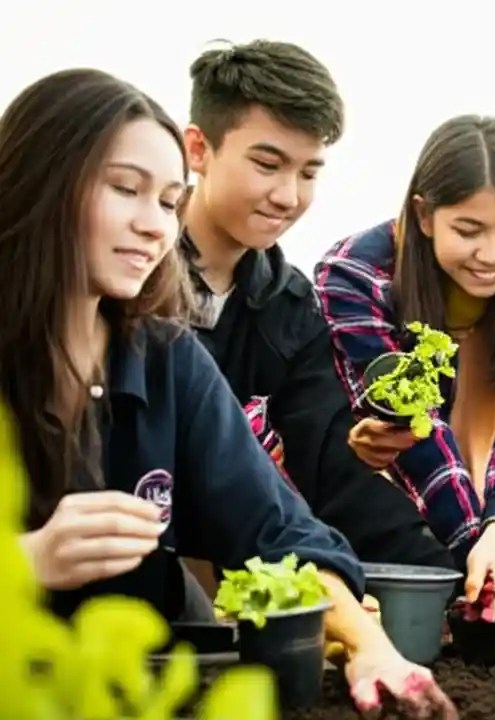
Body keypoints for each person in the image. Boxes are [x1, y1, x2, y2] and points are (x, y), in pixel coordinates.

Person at [0, 68, 457, 718]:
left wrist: (368, 644)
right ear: (40, 181)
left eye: (166, 201)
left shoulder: (167, 361)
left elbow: (276, 528)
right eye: (125, 189)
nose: (155, 225)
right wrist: (26, 562)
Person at [177, 40, 457, 585]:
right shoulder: (127, 280)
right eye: (267, 164)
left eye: (309, 172)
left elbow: (332, 466)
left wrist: (443, 572)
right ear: (198, 149)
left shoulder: (289, 306)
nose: (289, 195)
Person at [314, 114, 495, 654]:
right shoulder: (356, 276)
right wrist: (476, 545)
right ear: (425, 216)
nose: (493, 254)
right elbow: (412, 430)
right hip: (377, 494)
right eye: (468, 231)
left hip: (476, 483)